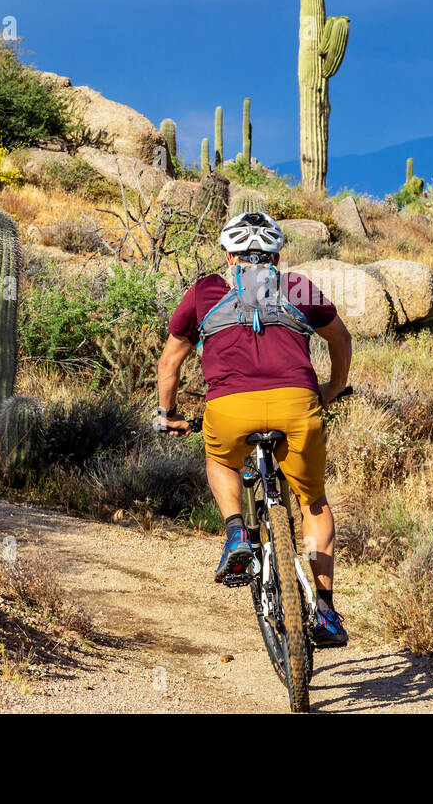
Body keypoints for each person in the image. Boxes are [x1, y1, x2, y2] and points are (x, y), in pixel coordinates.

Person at [154, 211, 353, 648]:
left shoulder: (207, 290)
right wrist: (333, 388)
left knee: (220, 457)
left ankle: (236, 532)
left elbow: (170, 361)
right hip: (297, 404)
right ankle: (325, 611)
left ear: (229, 255)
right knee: (313, 501)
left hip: (229, 408)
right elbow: (340, 339)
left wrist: (166, 413)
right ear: (277, 256)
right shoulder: (297, 286)